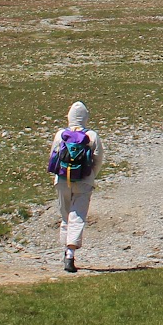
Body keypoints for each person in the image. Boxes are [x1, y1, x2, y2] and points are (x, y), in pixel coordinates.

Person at [47, 100, 103, 273]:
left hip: (62, 180)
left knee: (65, 216)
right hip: (84, 181)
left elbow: (53, 156)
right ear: (85, 117)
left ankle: (65, 250)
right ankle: (70, 254)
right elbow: (98, 158)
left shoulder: (60, 134)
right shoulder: (92, 136)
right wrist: (91, 174)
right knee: (77, 216)